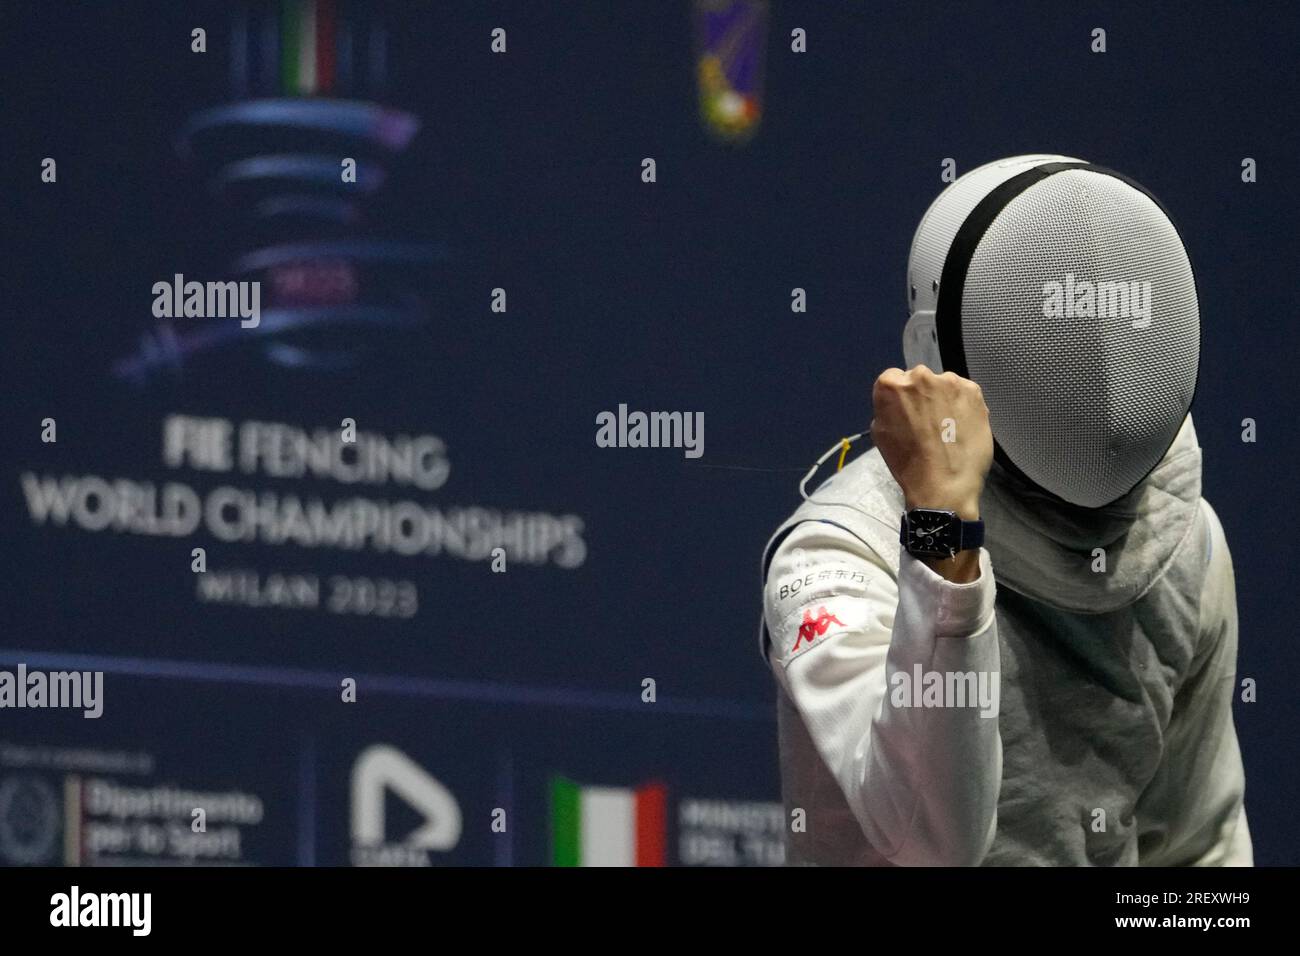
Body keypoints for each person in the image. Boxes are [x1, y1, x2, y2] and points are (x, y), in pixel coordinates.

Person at [759, 155, 1251, 866]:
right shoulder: (843, 552)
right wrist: (941, 523)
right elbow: (935, 836)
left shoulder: (1182, 541)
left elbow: (1200, 846)